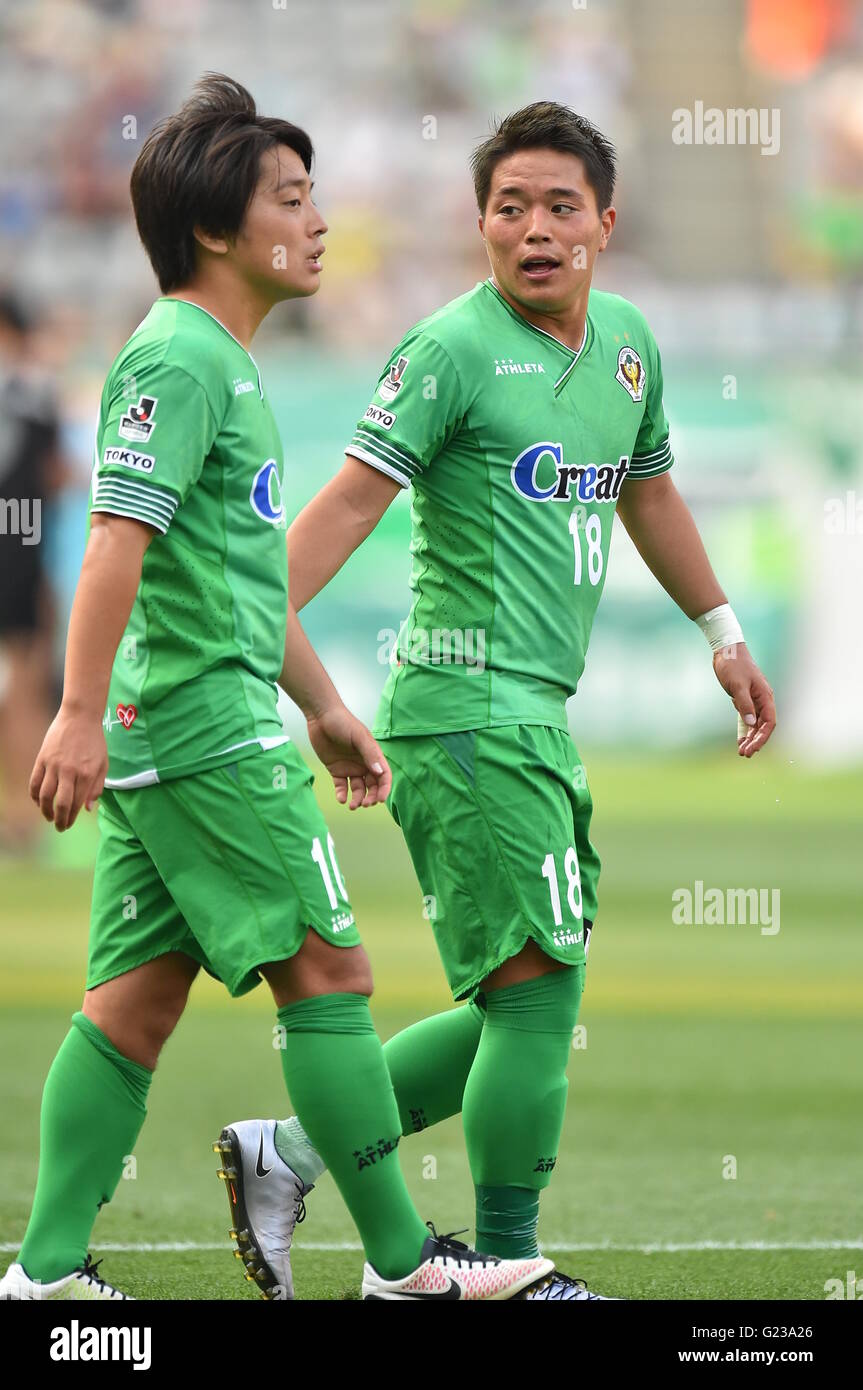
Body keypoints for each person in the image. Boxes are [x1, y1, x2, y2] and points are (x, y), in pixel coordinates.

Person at [0, 76, 554, 1304]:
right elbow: (112, 544)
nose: (317, 221)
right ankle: (408, 1270)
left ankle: (42, 1280)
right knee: (332, 981)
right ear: (216, 229)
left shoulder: (219, 362)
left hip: (191, 722)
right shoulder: (185, 358)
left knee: (130, 1009)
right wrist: (75, 713)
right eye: (292, 198)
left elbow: (240, 576)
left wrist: (322, 702)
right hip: (200, 732)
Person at [219, 100, 777, 1303]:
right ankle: (506, 1264)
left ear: (603, 223)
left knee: (522, 993)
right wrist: (257, 624)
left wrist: (720, 632)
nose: (532, 228)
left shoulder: (625, 343)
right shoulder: (447, 351)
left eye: (557, 207)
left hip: (534, 712)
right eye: (508, 207)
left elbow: (649, 491)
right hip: (464, 710)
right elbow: (350, 503)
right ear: (478, 223)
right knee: (537, 995)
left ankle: (295, 1149)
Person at [0, 292, 59, 853]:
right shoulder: (33, 395)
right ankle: (24, 816)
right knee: (26, 688)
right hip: (18, 554)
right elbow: (52, 476)